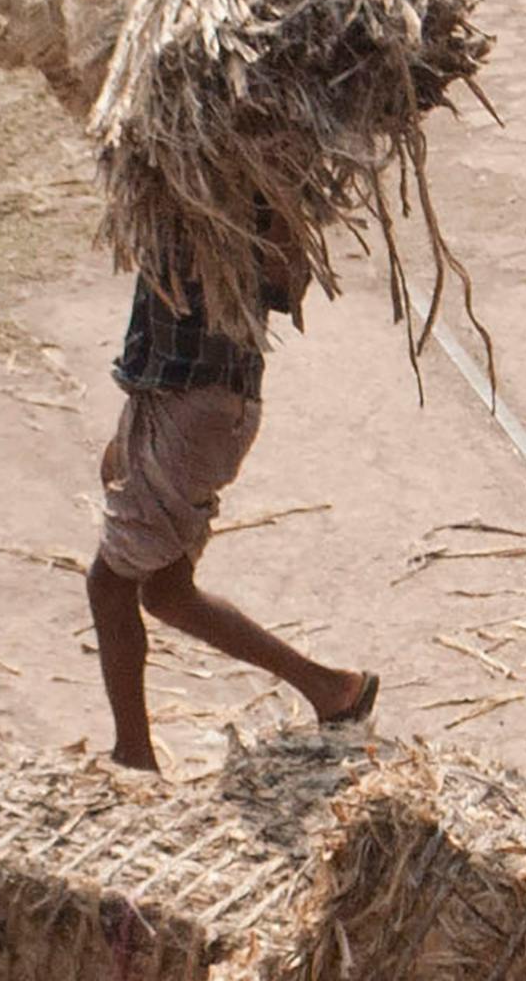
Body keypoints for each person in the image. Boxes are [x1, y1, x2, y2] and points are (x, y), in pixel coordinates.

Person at [85, 264, 372, 773]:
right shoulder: (188, 186)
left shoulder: (235, 194)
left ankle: (135, 761)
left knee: (110, 587)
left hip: (199, 404)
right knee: (167, 592)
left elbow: (289, 282)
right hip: (170, 396)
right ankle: (331, 689)